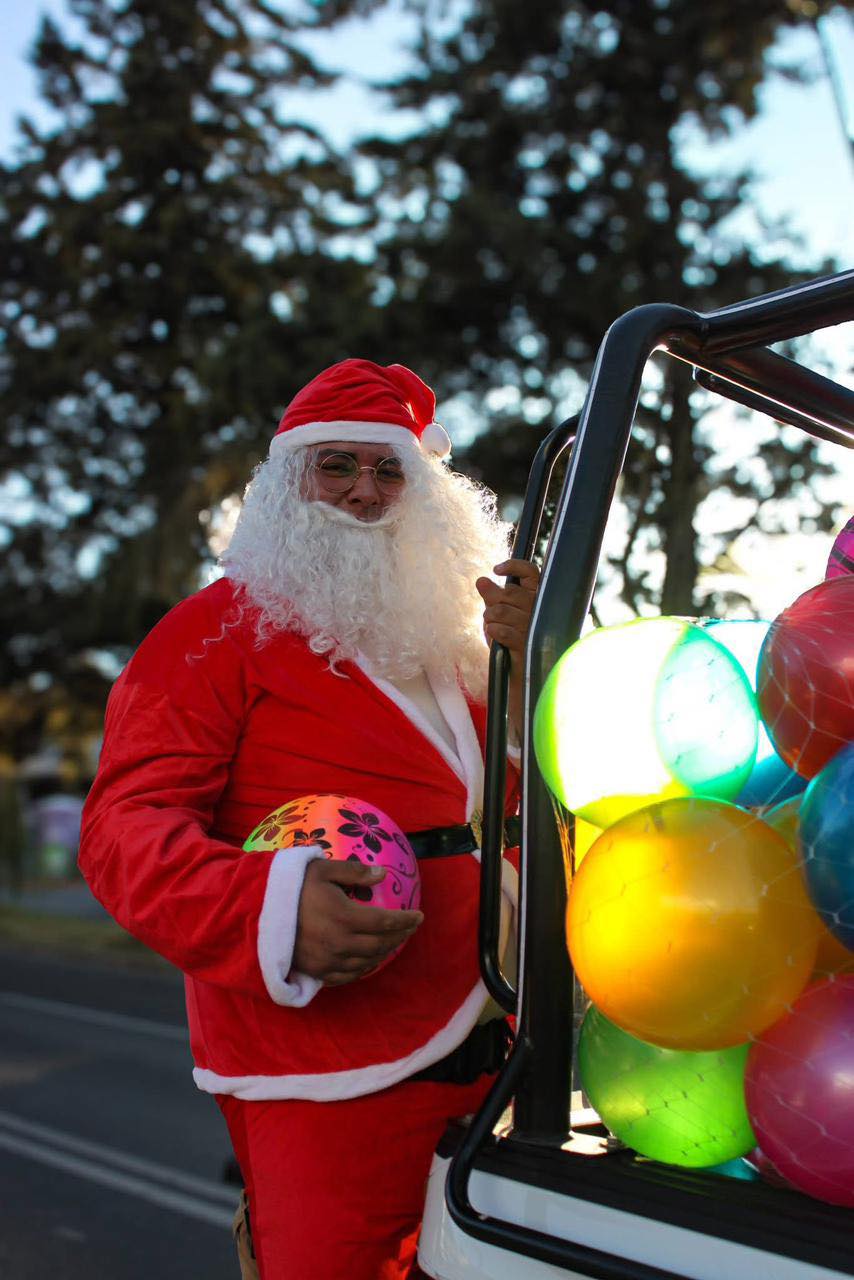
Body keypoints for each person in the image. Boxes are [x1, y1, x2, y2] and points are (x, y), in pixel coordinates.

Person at [78, 358, 539, 1280]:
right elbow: (124, 829)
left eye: (388, 470)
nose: (366, 492)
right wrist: (270, 906)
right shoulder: (211, 635)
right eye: (338, 466)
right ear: (290, 482)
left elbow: (540, 800)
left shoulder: (467, 647)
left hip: (512, 1055)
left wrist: (542, 659)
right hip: (326, 1065)